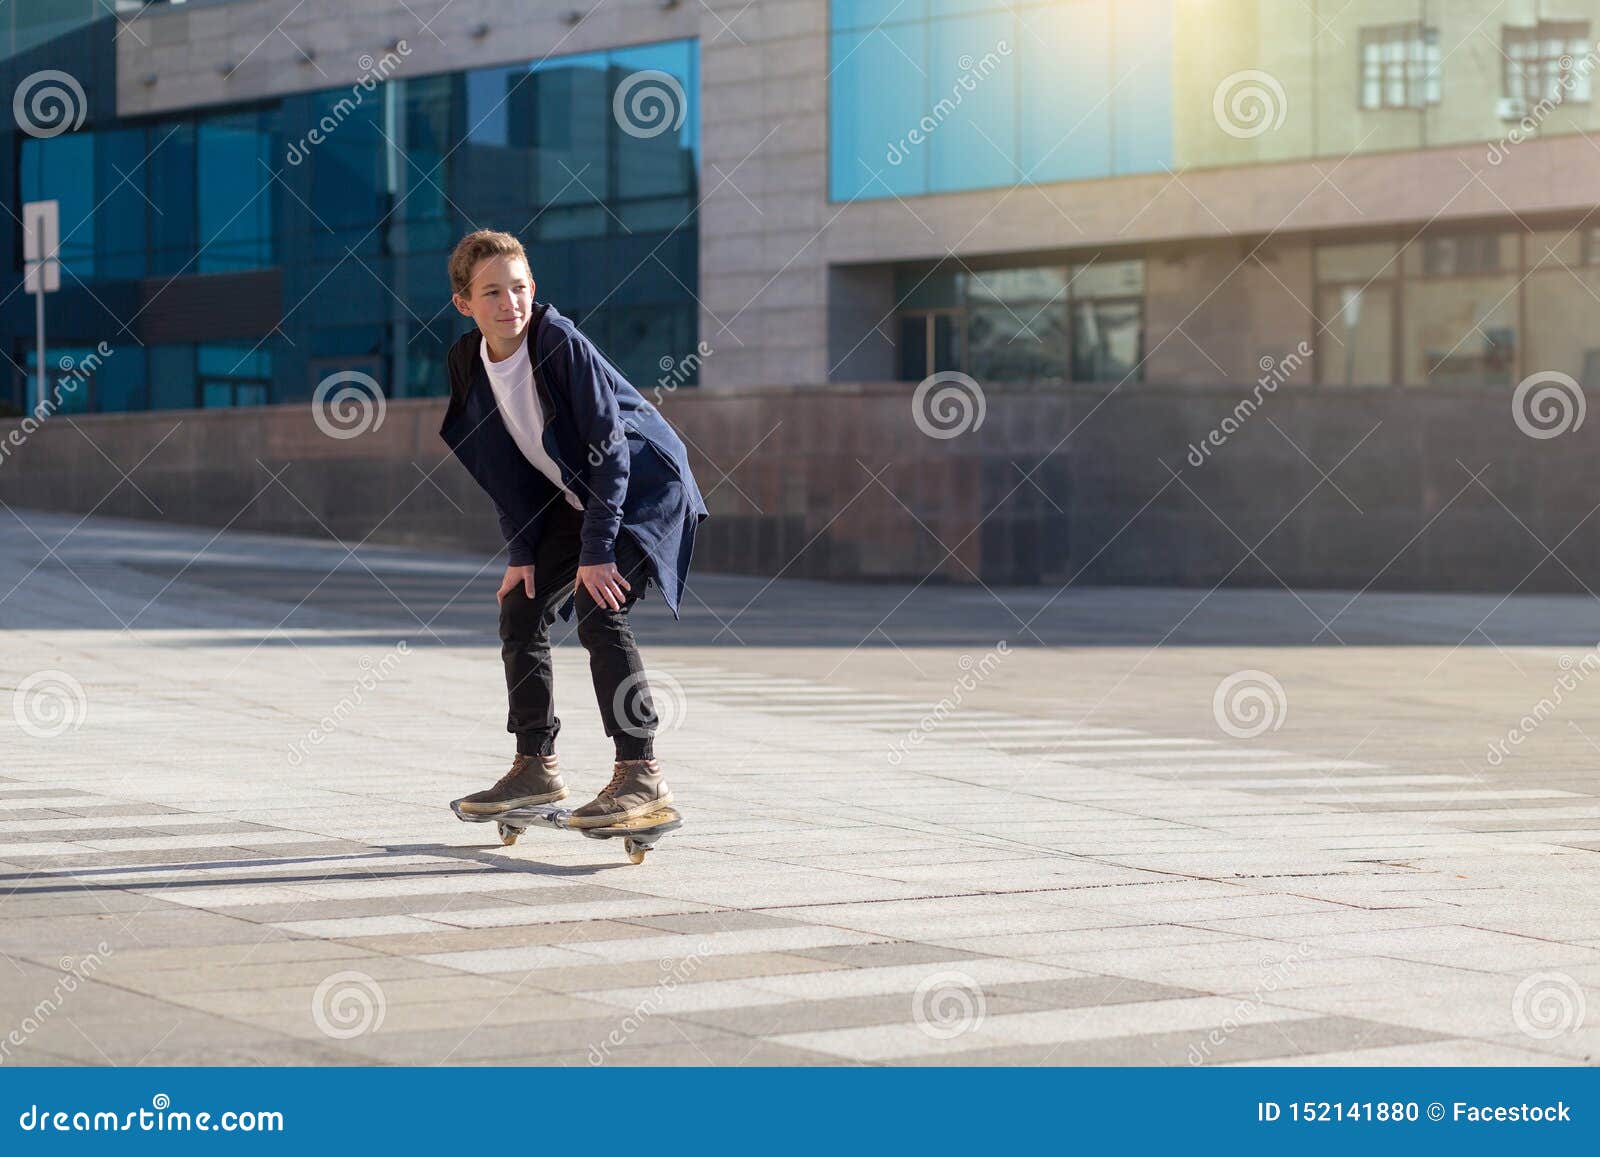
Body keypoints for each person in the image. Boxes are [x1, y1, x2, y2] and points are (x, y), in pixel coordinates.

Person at [437, 229, 707, 827]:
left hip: (642, 488)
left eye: (520, 287)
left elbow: (612, 453)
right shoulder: (467, 362)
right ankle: (536, 765)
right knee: (521, 605)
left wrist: (598, 551)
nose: (510, 302)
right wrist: (523, 551)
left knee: (598, 607)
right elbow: (501, 465)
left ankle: (642, 775)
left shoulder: (556, 342)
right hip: (576, 495)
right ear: (464, 303)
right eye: (492, 292)